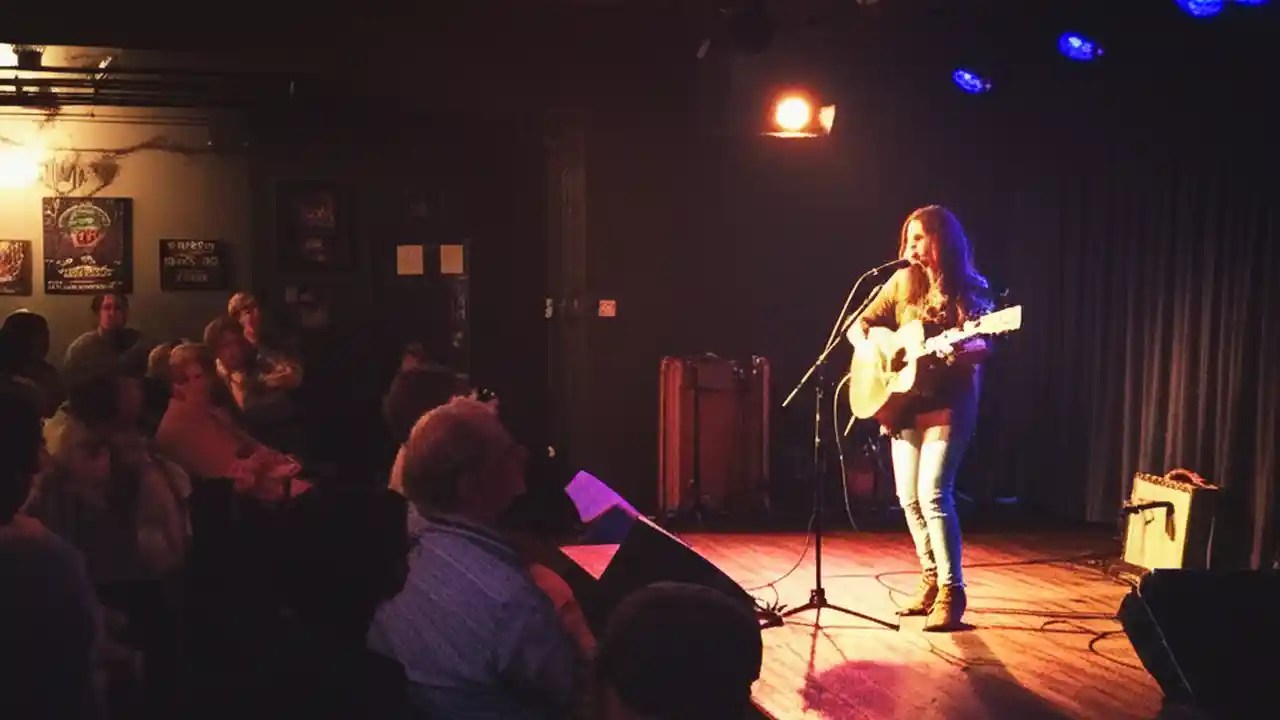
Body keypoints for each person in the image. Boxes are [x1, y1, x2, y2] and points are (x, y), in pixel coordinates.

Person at [367, 396, 581, 719]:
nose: (522, 454)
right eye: (508, 451)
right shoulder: (510, 602)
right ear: (469, 485)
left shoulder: (400, 530)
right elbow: (571, 691)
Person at [847, 205, 994, 631]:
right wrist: (874, 347)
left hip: (949, 401)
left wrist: (959, 349)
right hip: (904, 401)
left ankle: (953, 589)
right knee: (907, 498)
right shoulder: (900, 282)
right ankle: (929, 579)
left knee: (932, 494)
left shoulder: (970, 288)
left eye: (918, 238)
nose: (909, 247)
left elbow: (983, 346)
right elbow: (859, 326)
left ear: (941, 241)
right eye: (907, 238)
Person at [63, 293, 149, 390]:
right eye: (107, 308)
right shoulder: (80, 349)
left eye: (117, 308)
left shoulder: (138, 342)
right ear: (98, 313)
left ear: (126, 312)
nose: (112, 313)